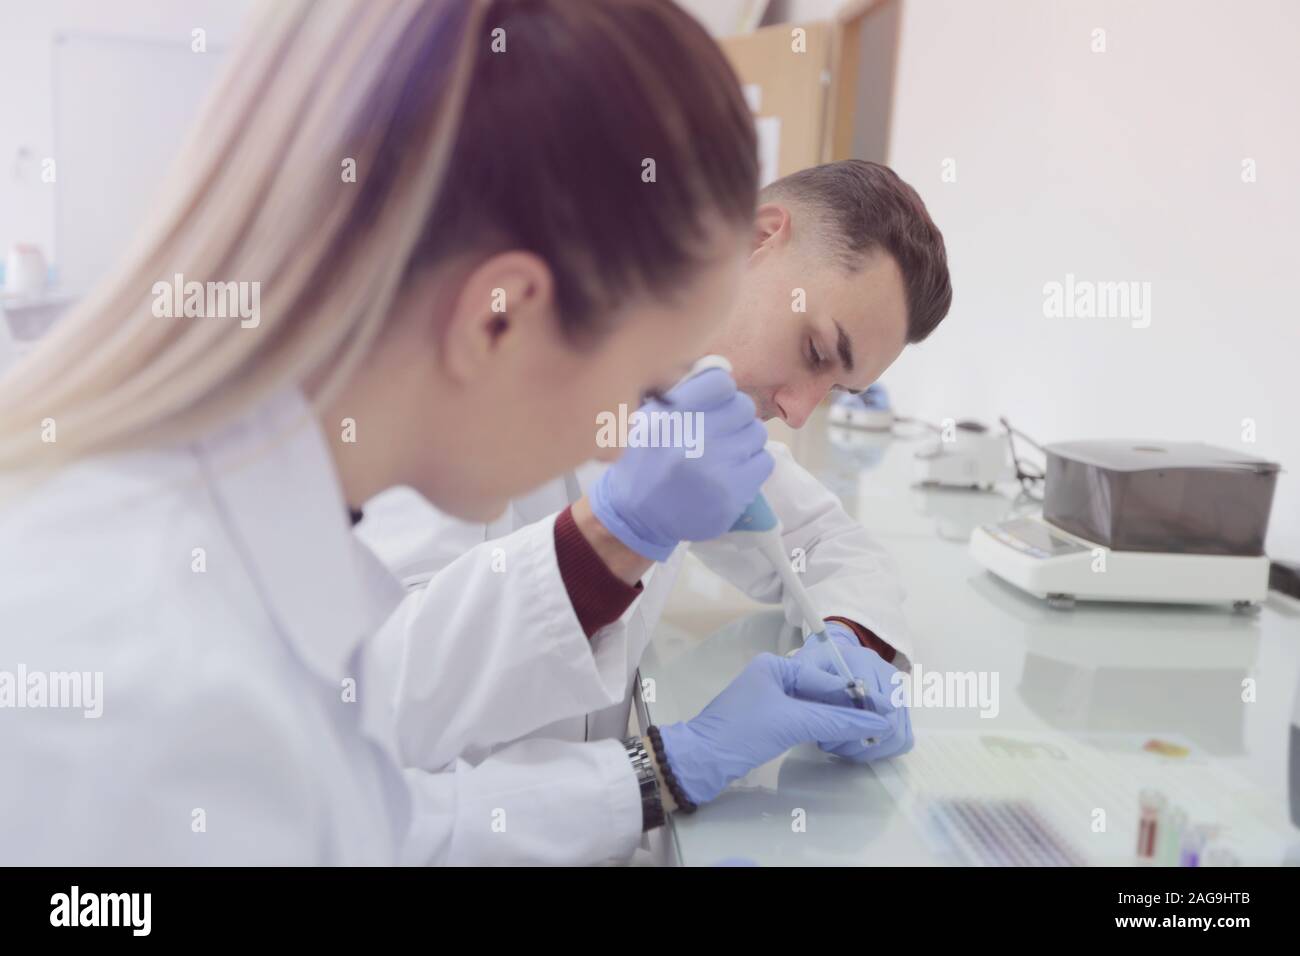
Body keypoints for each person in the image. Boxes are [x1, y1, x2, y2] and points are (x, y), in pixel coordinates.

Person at [0, 0, 891, 865]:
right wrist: (612, 544)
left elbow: (380, 822)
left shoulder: (253, 522)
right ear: (498, 319)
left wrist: (662, 770)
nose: (637, 426)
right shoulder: (136, 688)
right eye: (644, 380)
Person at [358, 159, 953, 854]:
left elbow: (826, 540)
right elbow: (377, 727)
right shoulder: (455, 364)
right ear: (762, 237)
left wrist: (853, 640)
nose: (798, 410)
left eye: (838, 389)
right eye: (816, 350)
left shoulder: (681, 403)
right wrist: (608, 542)